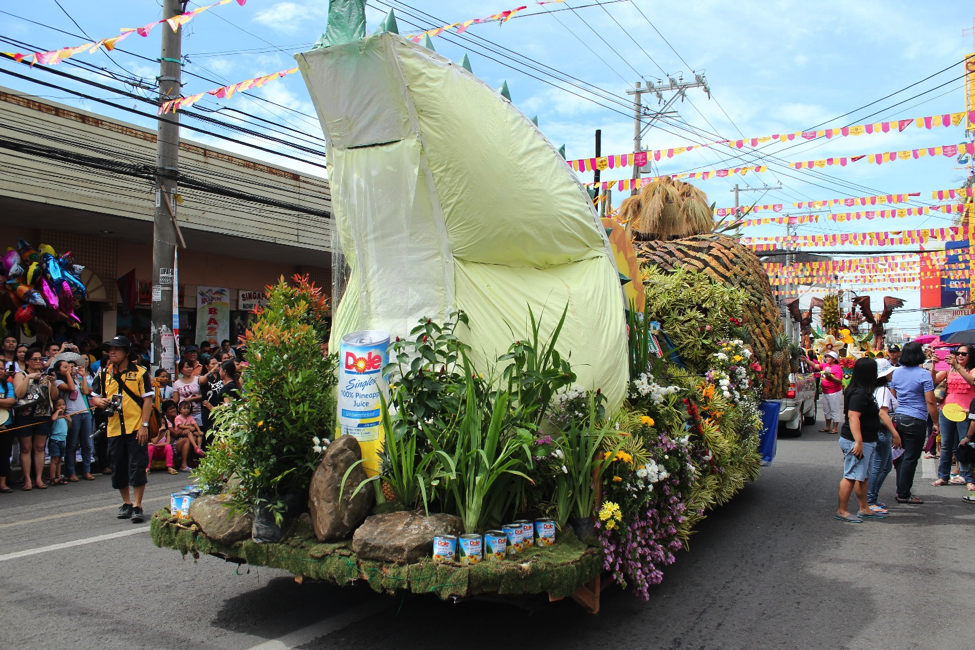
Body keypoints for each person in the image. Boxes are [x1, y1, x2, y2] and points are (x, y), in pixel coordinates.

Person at [90, 336, 153, 523]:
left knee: (137, 466)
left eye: (116, 349)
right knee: (118, 466)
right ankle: (126, 503)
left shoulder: (141, 373)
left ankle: (138, 505)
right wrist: (99, 401)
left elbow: (148, 400)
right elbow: (94, 396)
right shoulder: (103, 373)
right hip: (114, 428)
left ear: (126, 352)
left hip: (135, 427)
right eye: (110, 349)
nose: (112, 352)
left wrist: (144, 426)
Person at [889, 342, 939, 504]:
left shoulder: (896, 374)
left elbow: (892, 397)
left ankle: (901, 490)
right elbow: (931, 401)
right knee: (910, 457)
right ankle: (904, 493)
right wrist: (936, 423)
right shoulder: (923, 374)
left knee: (902, 456)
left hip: (899, 417)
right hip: (916, 419)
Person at [836, 358, 884, 523]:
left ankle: (864, 508)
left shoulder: (863, 390)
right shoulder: (859, 393)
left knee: (862, 476)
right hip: (855, 440)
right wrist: (858, 441)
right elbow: (853, 416)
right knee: (851, 475)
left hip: (866, 440)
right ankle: (842, 510)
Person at [930, 344, 975, 490]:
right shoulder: (949, 369)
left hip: (965, 412)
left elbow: (972, 381)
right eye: (957, 353)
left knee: (965, 444)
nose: (960, 356)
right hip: (946, 410)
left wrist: (957, 365)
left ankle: (968, 477)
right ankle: (943, 476)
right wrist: (934, 365)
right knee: (946, 445)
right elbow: (933, 381)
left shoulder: (972, 370)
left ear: (971, 356)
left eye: (964, 354)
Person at [13, 348, 57, 490]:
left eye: (40, 359)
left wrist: (53, 383)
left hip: (43, 414)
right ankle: (27, 479)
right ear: (27, 361)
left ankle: (38, 478)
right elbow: (19, 394)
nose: (38, 362)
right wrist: (29, 378)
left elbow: (54, 397)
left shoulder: (45, 375)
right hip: (25, 415)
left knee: (39, 447)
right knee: (26, 448)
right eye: (34, 359)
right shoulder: (21, 374)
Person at [867, 359, 901, 512]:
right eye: (889, 371)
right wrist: (895, 434)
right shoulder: (882, 390)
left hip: (882, 431)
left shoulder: (878, 389)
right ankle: (870, 500)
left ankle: (872, 497)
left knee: (886, 466)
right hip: (883, 431)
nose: (892, 373)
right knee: (878, 466)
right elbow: (883, 413)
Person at [56, 360, 94, 482]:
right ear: (58, 370)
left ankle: (86, 470)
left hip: (84, 412)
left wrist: (83, 376)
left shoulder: (77, 380)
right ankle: (71, 472)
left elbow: (87, 391)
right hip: (72, 414)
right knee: (72, 444)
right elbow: (71, 389)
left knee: (87, 444)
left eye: (70, 367)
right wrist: (68, 374)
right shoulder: (59, 381)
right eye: (65, 367)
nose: (69, 368)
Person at [815, 351, 844, 434]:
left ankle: (834, 428)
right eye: (826, 357)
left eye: (829, 357)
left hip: (834, 392)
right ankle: (828, 426)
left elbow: (839, 381)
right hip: (825, 391)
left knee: (834, 409)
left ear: (834, 359)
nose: (827, 358)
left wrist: (830, 376)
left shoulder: (837, 368)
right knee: (826, 410)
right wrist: (805, 360)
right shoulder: (825, 365)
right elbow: (815, 365)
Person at [147, 400, 178, 476]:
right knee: (150, 447)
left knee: (168, 447)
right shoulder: (154, 431)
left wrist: (155, 445)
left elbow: (167, 442)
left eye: (164, 423)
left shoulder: (167, 431)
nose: (163, 425)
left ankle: (169, 467)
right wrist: (159, 432)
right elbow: (153, 441)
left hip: (162, 451)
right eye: (161, 423)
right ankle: (147, 467)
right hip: (155, 452)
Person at [173, 359, 204, 426]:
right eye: (187, 367)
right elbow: (175, 400)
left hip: (198, 412)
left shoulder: (198, 379)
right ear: (181, 369)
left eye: (190, 367)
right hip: (184, 414)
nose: (189, 369)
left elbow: (203, 395)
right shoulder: (176, 383)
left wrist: (191, 399)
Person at [0, 366, 16, 493]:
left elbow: (11, 401)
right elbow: (6, 402)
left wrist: (6, 402)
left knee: (5, 454)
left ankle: (3, 483)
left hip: (6, 423)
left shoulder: (7, 385)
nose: (0, 370)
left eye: (1, 368)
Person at [48, 397, 70, 485]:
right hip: (55, 440)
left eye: (63, 405)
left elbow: (67, 429)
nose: (62, 407)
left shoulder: (64, 416)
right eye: (59, 405)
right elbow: (53, 419)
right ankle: (53, 478)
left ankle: (58, 476)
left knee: (60, 460)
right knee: (54, 459)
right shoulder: (56, 416)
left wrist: (69, 421)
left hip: (63, 439)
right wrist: (57, 411)